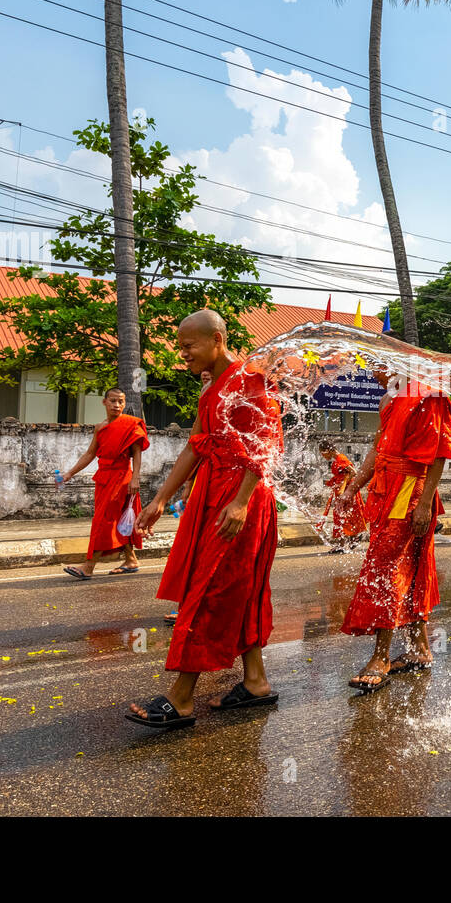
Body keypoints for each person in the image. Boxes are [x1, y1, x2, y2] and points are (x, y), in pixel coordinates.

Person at [126, 310, 282, 730]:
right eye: (180, 346)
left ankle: (181, 698)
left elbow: (264, 444)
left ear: (216, 339)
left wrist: (242, 501)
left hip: (240, 497)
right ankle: (255, 681)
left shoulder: (252, 379)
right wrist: (161, 498)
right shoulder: (212, 387)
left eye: (188, 345)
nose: (183, 354)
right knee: (239, 589)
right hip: (213, 492)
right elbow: (195, 447)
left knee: (211, 589)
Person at [337, 367, 451, 690]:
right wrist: (353, 487)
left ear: (397, 364)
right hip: (385, 487)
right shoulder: (390, 400)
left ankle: (381, 656)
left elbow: (438, 454)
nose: (373, 373)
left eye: (377, 365)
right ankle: (419, 648)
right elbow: (378, 449)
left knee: (384, 569)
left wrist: (424, 503)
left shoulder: (428, 394)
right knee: (410, 568)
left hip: (410, 490)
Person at [61, 388, 149, 579]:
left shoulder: (131, 424)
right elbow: (90, 454)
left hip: (122, 477)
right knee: (116, 521)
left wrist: (136, 478)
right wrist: (70, 473)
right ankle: (131, 559)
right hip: (104, 478)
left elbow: (137, 453)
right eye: (113, 401)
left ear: (124, 404)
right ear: (104, 402)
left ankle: (89, 566)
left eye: (121, 402)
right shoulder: (100, 427)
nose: (117, 405)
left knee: (103, 522)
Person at [318, 439, 367, 553]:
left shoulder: (340, 459)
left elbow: (353, 472)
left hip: (345, 492)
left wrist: (343, 487)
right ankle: (351, 540)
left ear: (328, 450)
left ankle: (343, 544)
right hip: (345, 491)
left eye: (322, 453)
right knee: (346, 516)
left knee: (341, 516)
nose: (322, 456)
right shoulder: (339, 459)